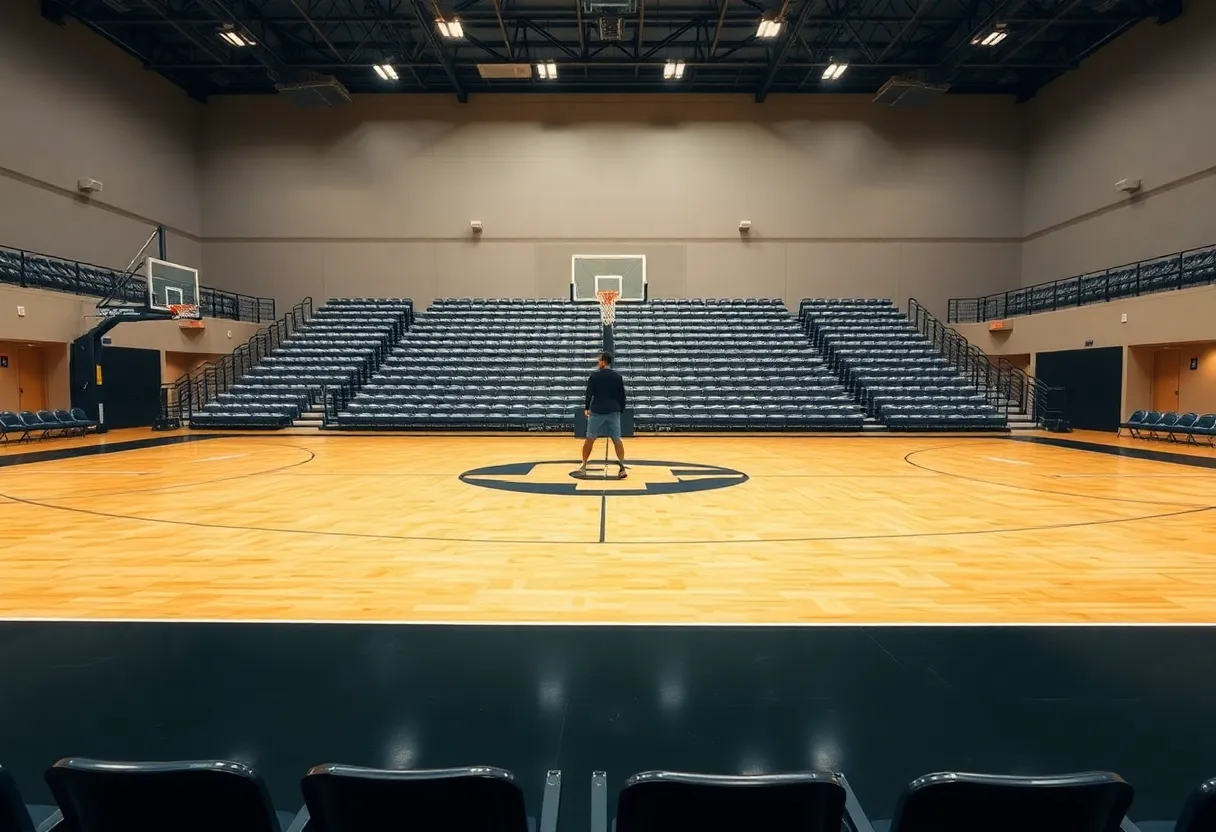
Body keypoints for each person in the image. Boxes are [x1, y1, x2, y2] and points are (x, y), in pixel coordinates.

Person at [580, 352, 628, 478]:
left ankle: (584, 465)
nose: (598, 363)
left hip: (597, 411)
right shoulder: (617, 377)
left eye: (598, 361)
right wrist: (621, 409)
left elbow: (589, 394)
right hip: (613, 411)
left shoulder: (594, 377)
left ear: (603, 362)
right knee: (617, 440)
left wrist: (586, 408)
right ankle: (622, 467)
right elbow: (622, 396)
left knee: (590, 439)